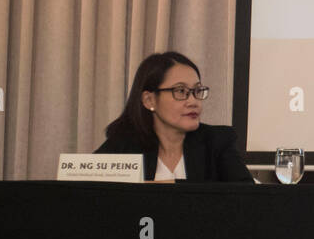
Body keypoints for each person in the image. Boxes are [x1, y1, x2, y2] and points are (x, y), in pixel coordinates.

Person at [96, 51, 252, 183]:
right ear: (149, 100)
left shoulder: (216, 142)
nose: (193, 101)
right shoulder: (122, 146)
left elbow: (247, 200)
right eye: (181, 91)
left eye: (197, 91)